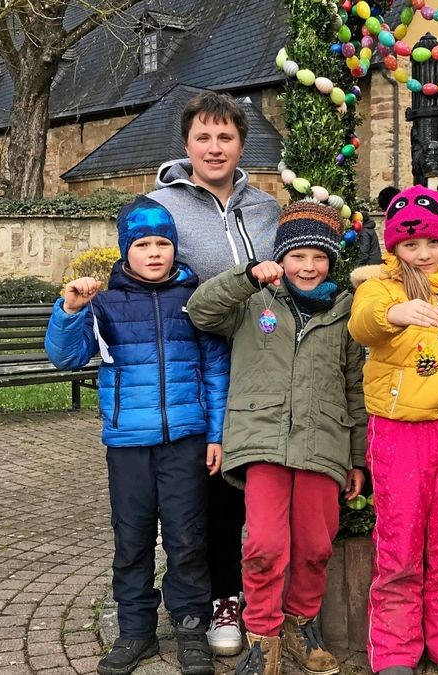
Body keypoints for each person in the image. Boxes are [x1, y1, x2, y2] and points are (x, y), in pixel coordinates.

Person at [44, 197, 229, 675]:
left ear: (174, 248)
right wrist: (70, 309)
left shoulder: (196, 300)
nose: (154, 253)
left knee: (188, 539)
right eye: (143, 245)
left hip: (186, 440)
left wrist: (216, 434)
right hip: (128, 444)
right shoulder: (104, 304)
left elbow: (215, 370)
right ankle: (136, 631)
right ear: (126, 249)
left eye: (162, 244)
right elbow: (66, 357)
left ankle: (191, 628)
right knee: (132, 539)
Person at [187, 201, 368, 675]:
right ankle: (262, 638)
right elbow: (201, 311)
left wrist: (358, 458)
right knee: (264, 545)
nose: (308, 266)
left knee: (315, 546)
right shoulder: (254, 302)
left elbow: (354, 385)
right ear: (281, 257)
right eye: (297, 256)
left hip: (323, 443)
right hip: (263, 440)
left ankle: (299, 626)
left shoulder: (346, 311)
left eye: (319, 257)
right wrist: (246, 277)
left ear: (332, 261)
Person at [142, 91, 282, 654]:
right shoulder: (161, 207)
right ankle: (212, 598)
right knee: (204, 488)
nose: (215, 147)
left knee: (249, 485)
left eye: (226, 137)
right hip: (193, 366)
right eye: (204, 137)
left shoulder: (267, 208)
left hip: (260, 362)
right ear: (187, 144)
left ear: (242, 144)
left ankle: (249, 592)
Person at [348, 181, 438, 675]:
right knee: (400, 542)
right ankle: (394, 650)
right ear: (395, 245)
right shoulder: (380, 286)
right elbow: (362, 324)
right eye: (411, 244)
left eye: (431, 242)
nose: (423, 253)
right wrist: (395, 313)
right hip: (400, 430)